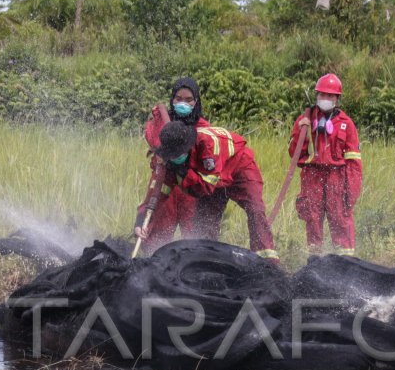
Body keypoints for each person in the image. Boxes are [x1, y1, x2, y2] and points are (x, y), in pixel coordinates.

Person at [154, 120, 279, 263]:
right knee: (205, 219)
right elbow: (160, 193)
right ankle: (205, 260)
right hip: (210, 178)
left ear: (187, 146)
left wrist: (183, 172)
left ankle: (267, 262)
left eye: (177, 154)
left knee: (255, 209)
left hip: (239, 168)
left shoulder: (207, 145)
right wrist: (143, 222)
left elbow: (206, 187)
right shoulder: (173, 161)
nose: (175, 158)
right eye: (172, 155)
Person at [289, 73, 363, 256]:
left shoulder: (346, 124)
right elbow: (295, 156)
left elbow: (354, 164)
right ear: (316, 96)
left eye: (330, 96)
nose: (325, 99)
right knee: (312, 220)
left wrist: (351, 193)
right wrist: (302, 132)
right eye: (322, 95)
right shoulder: (304, 120)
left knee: (341, 220)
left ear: (337, 98)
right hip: (312, 176)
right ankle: (315, 262)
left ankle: (346, 263)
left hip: (337, 179)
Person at [134, 77, 206, 255]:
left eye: (188, 100)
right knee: (155, 245)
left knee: (194, 245)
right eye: (178, 99)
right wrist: (140, 221)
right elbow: (155, 186)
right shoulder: (161, 128)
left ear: (196, 101)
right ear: (172, 99)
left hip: (191, 191)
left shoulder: (203, 130)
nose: (183, 103)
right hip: (167, 191)